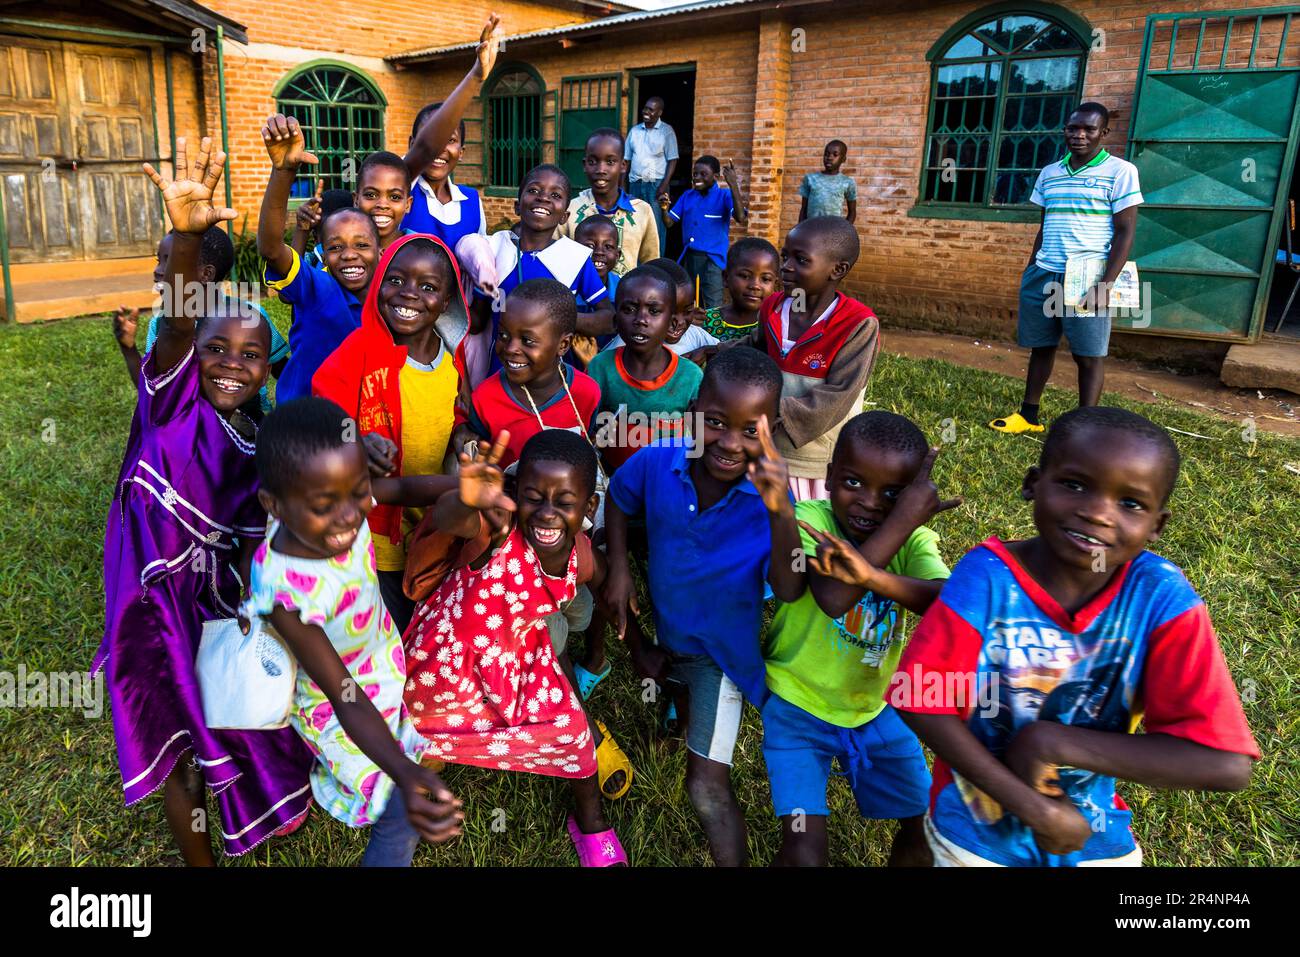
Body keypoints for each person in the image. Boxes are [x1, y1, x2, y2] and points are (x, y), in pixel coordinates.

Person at [897, 406, 1258, 866]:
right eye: (1075, 484)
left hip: (1094, 834)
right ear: (1032, 484)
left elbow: (1224, 762)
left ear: (1157, 525)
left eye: (1130, 503)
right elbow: (919, 699)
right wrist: (1033, 808)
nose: (1097, 513)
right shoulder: (986, 576)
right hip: (975, 831)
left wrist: (1053, 743)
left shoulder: (1160, 597)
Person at [94, 137, 314, 864]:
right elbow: (183, 321)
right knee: (176, 737)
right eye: (216, 350)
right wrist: (187, 240)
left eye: (250, 356)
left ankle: (269, 796)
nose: (230, 365)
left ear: (268, 365)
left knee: (229, 712)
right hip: (152, 593)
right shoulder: (176, 395)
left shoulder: (262, 439)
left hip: (214, 596)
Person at [242, 397, 465, 866]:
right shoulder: (285, 590)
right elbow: (343, 695)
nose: (349, 515)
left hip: (379, 663)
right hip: (335, 701)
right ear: (274, 505)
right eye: (326, 505)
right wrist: (402, 772)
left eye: (359, 490)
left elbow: (403, 487)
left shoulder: (332, 491)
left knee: (404, 749)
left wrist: (470, 487)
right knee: (395, 806)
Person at [604, 348, 804, 865]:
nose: (729, 443)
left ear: (775, 428)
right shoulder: (658, 459)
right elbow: (620, 500)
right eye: (714, 422)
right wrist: (621, 567)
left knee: (705, 785)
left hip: (722, 657)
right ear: (692, 410)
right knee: (674, 676)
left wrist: (782, 511)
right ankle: (678, 722)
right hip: (672, 631)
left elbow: (787, 588)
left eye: (749, 431)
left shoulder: (773, 502)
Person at [403, 429, 630, 866]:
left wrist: (636, 637)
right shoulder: (492, 529)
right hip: (446, 661)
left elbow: (604, 581)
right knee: (418, 733)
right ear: (512, 494)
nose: (547, 514)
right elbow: (455, 520)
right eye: (533, 497)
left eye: (564, 503)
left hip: (517, 655)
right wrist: (466, 500)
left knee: (575, 735)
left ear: (588, 509)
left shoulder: (579, 555)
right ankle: (424, 771)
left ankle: (590, 821)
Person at [759, 412, 961, 867]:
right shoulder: (812, 520)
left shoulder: (914, 541)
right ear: (828, 477)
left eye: (893, 494)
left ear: (912, 497)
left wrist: (896, 542)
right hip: (796, 708)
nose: (870, 503)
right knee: (803, 849)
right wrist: (900, 521)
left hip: (874, 709)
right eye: (853, 482)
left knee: (928, 825)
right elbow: (833, 597)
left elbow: (948, 606)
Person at [312, 233, 470, 636]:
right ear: (378, 281)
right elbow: (322, 412)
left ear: (448, 302)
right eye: (396, 280)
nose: (409, 294)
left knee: (425, 615)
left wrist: (462, 436)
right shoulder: (361, 348)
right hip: (372, 525)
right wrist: (354, 440)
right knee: (383, 626)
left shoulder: (452, 357)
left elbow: (452, 412)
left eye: (428, 287)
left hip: (427, 519)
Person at [990, 103, 1143, 434]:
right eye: (1073, 128)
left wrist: (1106, 283)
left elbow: (1126, 231)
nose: (1079, 135)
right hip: (1045, 272)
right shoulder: (1050, 173)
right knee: (1041, 346)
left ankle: (1086, 427)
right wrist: (1031, 268)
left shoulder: (1121, 171)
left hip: (1087, 276)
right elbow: (1044, 226)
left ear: (1104, 133)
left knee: (1088, 355)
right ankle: (1028, 416)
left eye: (1089, 129)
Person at [747, 216, 879, 500]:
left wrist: (770, 410)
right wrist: (713, 351)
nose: (786, 267)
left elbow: (839, 395)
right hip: (761, 446)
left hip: (813, 463)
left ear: (838, 269)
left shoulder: (857, 324)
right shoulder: (773, 307)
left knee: (802, 530)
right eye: (785, 256)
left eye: (801, 260)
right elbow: (755, 348)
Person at [257, 114, 378, 403]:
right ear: (323, 250)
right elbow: (272, 249)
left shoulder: (388, 297)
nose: (349, 254)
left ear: (381, 251)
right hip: (302, 423)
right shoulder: (319, 287)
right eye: (335, 247)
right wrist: (284, 171)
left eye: (361, 244)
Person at [112, 226, 289, 415]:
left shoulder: (250, 316)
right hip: (191, 430)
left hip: (249, 426)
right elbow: (152, 388)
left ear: (206, 274)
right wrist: (128, 349)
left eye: (171, 262)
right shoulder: (161, 324)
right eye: (158, 261)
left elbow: (284, 371)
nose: (158, 271)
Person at [471, 164, 611, 384]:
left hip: (555, 380)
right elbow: (478, 321)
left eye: (555, 195)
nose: (543, 198)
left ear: (565, 216)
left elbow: (609, 318)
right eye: (534, 191)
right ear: (517, 206)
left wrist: (556, 320)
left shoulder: (575, 257)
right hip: (501, 374)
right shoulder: (495, 250)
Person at [451, 278, 600, 469]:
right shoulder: (486, 397)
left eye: (527, 340)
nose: (511, 348)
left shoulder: (586, 393)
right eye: (503, 335)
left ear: (563, 345)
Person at [587, 264, 701, 473]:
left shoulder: (690, 377)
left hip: (667, 482)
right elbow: (588, 435)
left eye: (654, 311)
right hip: (610, 480)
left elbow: (697, 444)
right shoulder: (601, 367)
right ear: (615, 318)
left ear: (671, 321)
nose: (641, 320)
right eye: (629, 309)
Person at [399, 16, 501, 250]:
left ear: (462, 152)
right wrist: (475, 75)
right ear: (412, 144)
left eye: (451, 140)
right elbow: (426, 148)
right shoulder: (400, 186)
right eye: (433, 138)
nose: (440, 148)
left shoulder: (472, 201)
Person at [558, 128, 660, 278]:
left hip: (626, 298)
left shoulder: (642, 211)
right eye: (593, 162)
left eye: (610, 162)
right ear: (584, 165)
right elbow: (556, 259)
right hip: (579, 299)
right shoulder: (571, 210)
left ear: (623, 165)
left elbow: (651, 264)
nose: (601, 169)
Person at [660, 155, 748, 309]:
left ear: (715, 177)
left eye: (703, 174)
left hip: (711, 261)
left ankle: (712, 333)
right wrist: (664, 209)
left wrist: (733, 184)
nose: (697, 178)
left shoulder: (724, 195)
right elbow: (669, 222)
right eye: (695, 174)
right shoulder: (687, 196)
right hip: (689, 257)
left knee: (713, 306)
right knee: (685, 301)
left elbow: (740, 217)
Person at [603, 257, 719, 359]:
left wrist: (709, 350)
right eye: (672, 312)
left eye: (688, 311)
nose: (679, 322)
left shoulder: (696, 336)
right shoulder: (619, 350)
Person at [699, 237, 779, 343]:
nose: (755, 285)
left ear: (775, 284)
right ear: (726, 278)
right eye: (745, 276)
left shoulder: (776, 324)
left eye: (765, 279)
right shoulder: (705, 321)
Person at [624, 96, 678, 254]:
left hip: (657, 186)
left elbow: (673, 160)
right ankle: (637, 264)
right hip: (636, 184)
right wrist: (622, 185)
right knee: (634, 223)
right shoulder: (634, 132)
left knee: (656, 226)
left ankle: (656, 265)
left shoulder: (666, 132)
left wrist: (663, 184)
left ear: (659, 112)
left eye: (651, 109)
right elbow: (626, 160)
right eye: (645, 108)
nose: (646, 112)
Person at [798, 139, 857, 223]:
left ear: (843, 159)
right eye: (826, 154)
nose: (829, 158)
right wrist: (801, 230)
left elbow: (852, 212)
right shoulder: (810, 179)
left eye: (835, 155)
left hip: (833, 231)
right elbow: (803, 209)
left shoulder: (847, 182)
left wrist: (843, 231)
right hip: (811, 230)